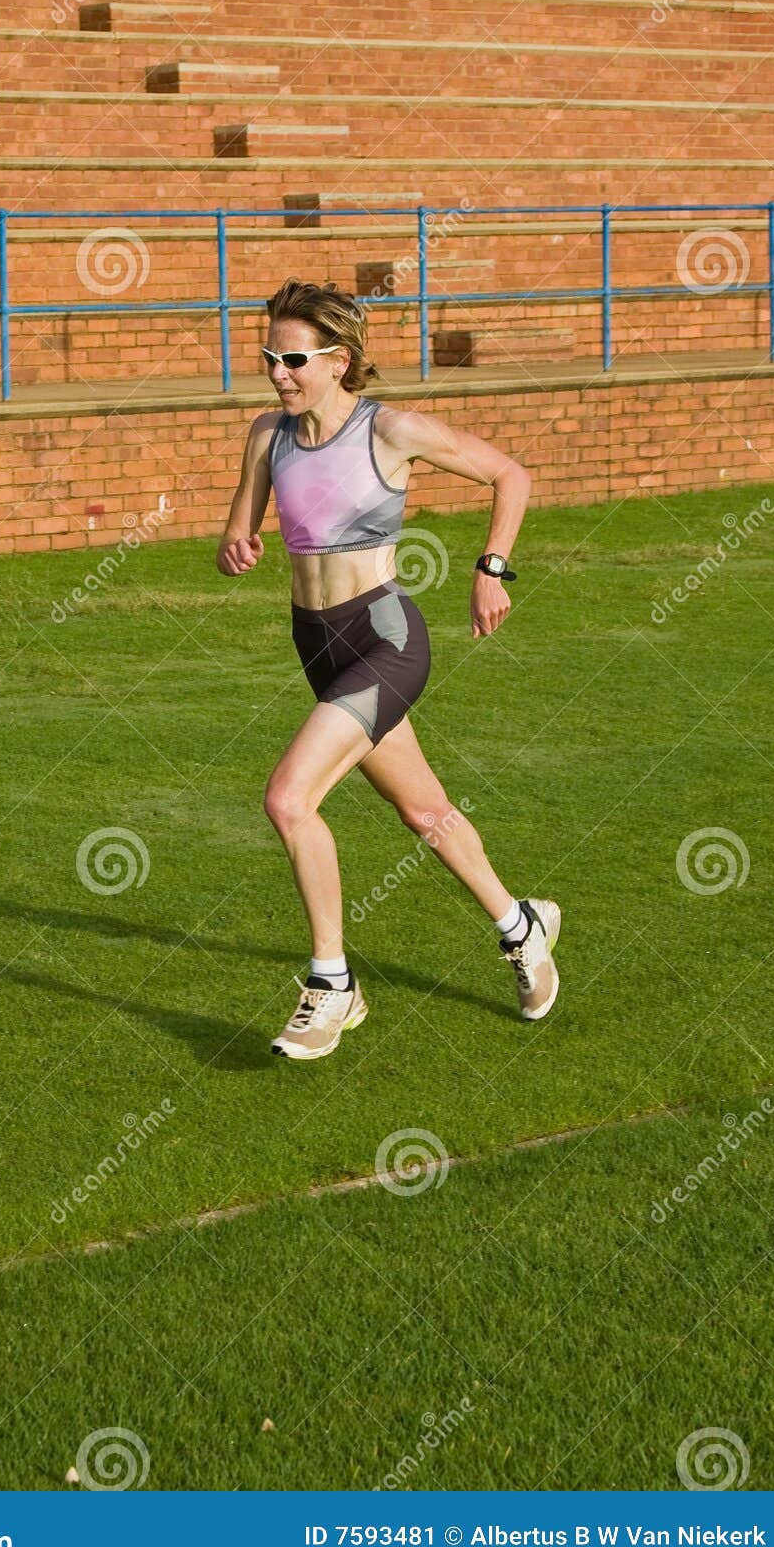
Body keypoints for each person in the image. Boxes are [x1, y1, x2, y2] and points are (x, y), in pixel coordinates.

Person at [216, 278, 560, 1060]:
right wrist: (236, 547)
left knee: (288, 799)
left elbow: (510, 474)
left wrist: (491, 567)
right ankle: (520, 926)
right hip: (318, 645)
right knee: (423, 812)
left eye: (293, 359)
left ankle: (332, 984)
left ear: (337, 361)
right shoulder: (267, 436)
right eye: (270, 356)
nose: (277, 372)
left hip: (384, 641)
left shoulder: (391, 430)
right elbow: (236, 528)